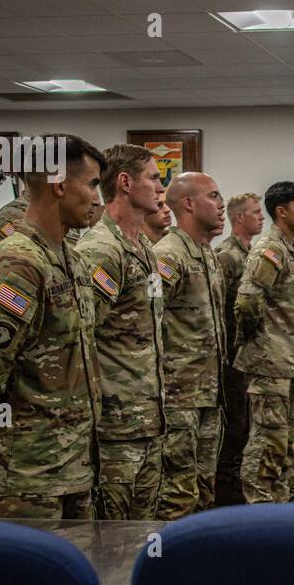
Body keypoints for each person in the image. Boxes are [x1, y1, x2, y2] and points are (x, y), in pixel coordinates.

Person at [0, 134, 104, 519]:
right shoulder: (20, 263)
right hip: (22, 478)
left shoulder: (70, 260)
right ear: (58, 184)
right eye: (91, 184)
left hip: (71, 469)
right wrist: (5, 440)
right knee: (20, 581)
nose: (96, 198)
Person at [76, 144, 168, 521]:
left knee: (139, 535)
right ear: (126, 183)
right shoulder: (102, 249)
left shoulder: (143, 246)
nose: (161, 189)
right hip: (115, 427)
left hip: (146, 420)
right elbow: (82, 337)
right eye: (154, 178)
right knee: (111, 537)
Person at [154, 172, 227, 519]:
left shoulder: (205, 253)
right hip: (178, 397)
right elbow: (145, 321)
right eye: (213, 196)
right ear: (188, 204)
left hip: (207, 394)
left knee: (203, 491)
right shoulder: (168, 256)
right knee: (177, 496)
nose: (222, 204)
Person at [235, 181, 294, 504]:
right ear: (282, 211)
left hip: (290, 363)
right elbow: (248, 301)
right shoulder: (271, 247)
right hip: (271, 364)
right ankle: (259, 513)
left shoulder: (289, 245)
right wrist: (260, 343)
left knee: (285, 444)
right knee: (267, 443)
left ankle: (277, 514)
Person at [215, 191, 264, 503]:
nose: (261, 217)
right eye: (255, 213)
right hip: (232, 361)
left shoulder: (249, 254)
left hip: (247, 361)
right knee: (233, 434)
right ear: (239, 218)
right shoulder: (226, 256)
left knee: (245, 431)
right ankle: (227, 502)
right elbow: (221, 311)